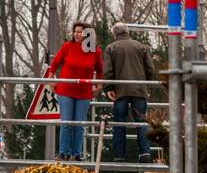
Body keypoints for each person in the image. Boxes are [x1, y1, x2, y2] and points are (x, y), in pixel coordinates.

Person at [48, 21, 103, 161]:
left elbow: (100, 70)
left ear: (88, 34)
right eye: (75, 31)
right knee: (66, 123)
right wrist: (51, 79)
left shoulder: (95, 51)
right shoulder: (67, 47)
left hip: (84, 93)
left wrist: (99, 85)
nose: (77, 34)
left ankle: (76, 153)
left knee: (79, 124)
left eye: (80, 31)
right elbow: (53, 65)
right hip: (66, 90)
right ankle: (63, 152)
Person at [102, 22, 155, 163]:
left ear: (114, 34)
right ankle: (145, 153)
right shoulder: (141, 47)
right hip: (139, 90)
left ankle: (119, 156)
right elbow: (150, 69)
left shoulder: (110, 48)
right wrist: (147, 86)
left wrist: (109, 88)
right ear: (127, 32)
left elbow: (107, 71)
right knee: (141, 122)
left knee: (119, 123)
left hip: (120, 91)